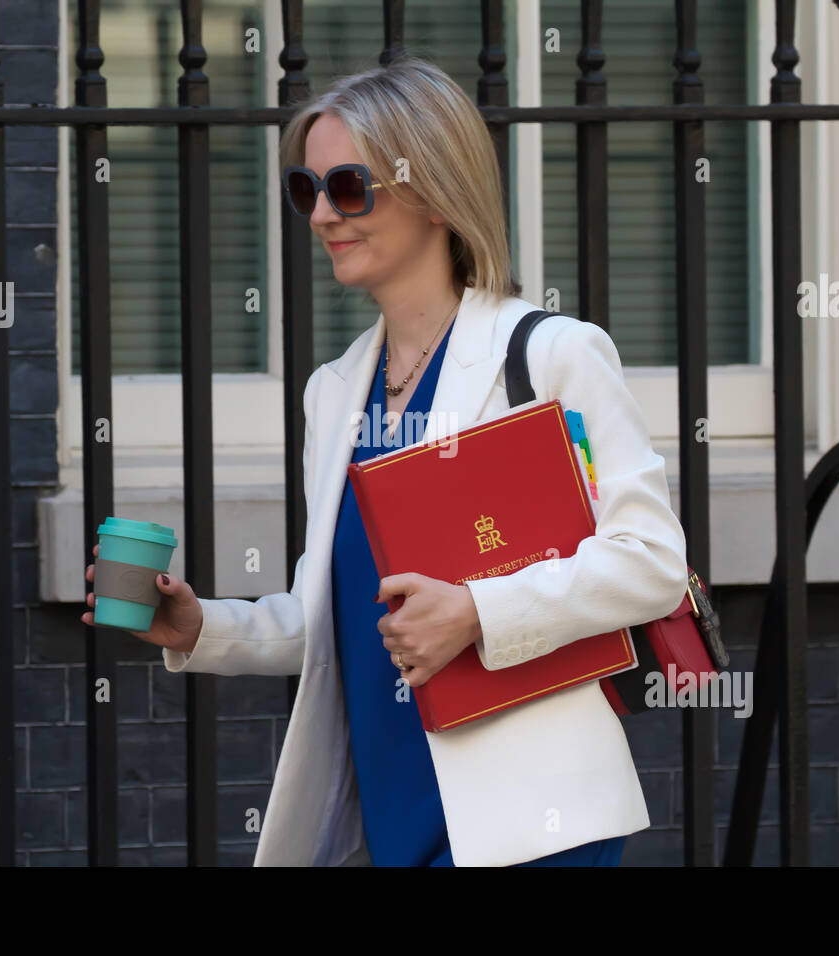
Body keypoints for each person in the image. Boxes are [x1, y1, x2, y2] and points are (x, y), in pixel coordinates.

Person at [81, 55, 688, 867]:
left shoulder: (550, 354)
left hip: (533, 818)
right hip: (387, 811)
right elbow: (329, 620)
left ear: (434, 190)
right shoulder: (334, 393)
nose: (324, 214)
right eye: (308, 190)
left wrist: (476, 612)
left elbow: (652, 563)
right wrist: (199, 626)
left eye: (350, 188)